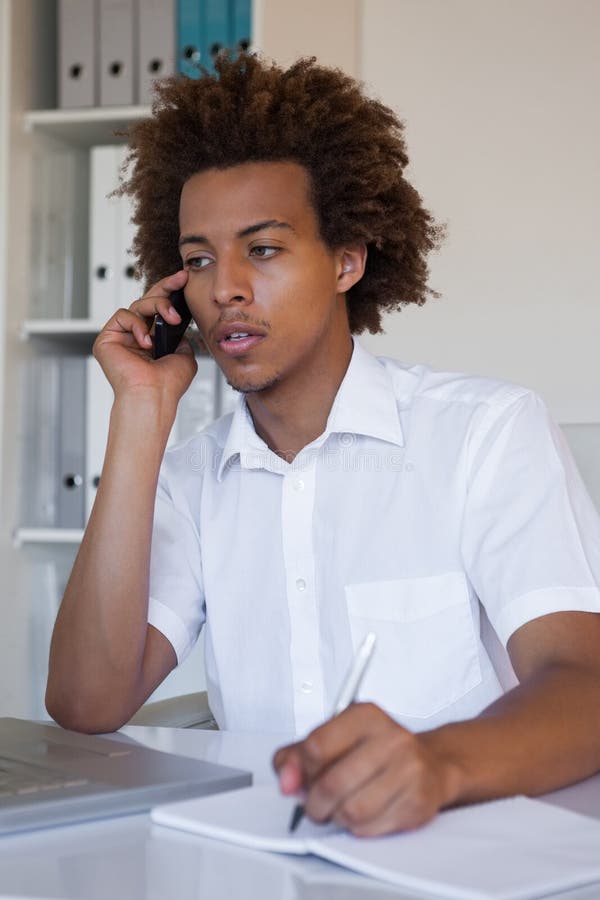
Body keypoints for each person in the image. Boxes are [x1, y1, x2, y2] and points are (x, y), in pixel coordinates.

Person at [46, 52, 600, 838]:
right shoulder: (192, 475)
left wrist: (435, 766)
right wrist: (140, 413)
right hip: (264, 859)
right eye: (198, 259)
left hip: (468, 851)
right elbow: (84, 702)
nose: (225, 287)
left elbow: (585, 687)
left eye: (263, 249)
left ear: (348, 260)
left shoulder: (484, 432)